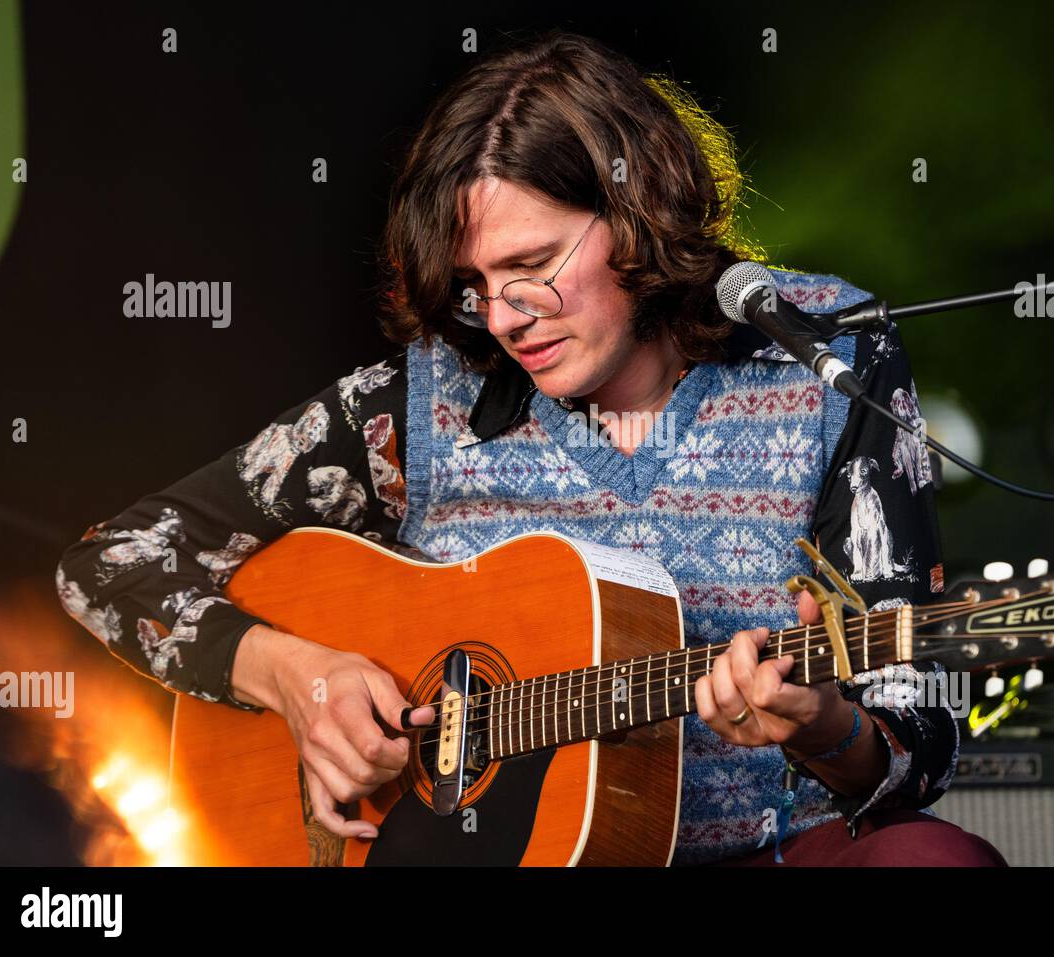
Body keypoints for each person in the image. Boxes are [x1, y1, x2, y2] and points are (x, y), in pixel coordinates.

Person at [56, 30, 1004, 866]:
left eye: (532, 266)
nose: (504, 317)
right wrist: (296, 676)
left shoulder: (829, 349)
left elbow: (914, 747)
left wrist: (825, 728)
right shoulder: (421, 401)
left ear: (641, 212)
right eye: (475, 283)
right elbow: (111, 563)